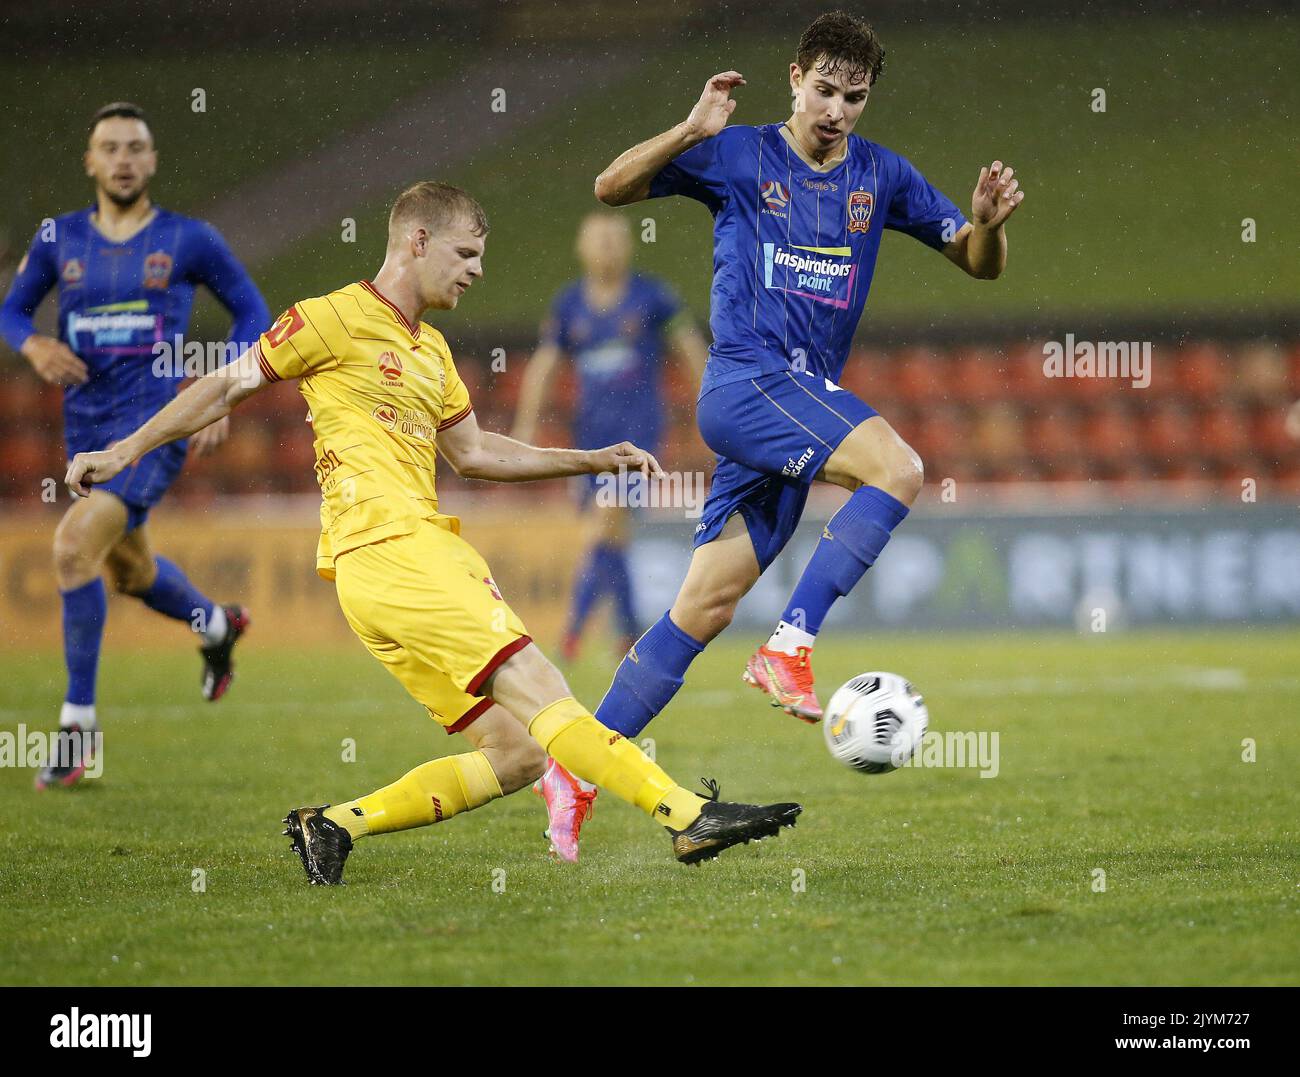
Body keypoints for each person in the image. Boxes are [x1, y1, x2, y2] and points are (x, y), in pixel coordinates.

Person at [65, 181, 801, 884]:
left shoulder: (435, 353)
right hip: (392, 549)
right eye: (467, 254)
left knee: (514, 752)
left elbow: (477, 454)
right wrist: (124, 449)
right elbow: (227, 383)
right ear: (417, 240)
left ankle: (336, 823)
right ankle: (688, 813)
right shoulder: (330, 317)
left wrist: (590, 457)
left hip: (388, 568)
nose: (479, 271)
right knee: (542, 687)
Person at [537, 11, 1026, 855]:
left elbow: (977, 264)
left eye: (856, 96)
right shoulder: (738, 154)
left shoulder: (884, 176)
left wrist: (986, 224)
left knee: (701, 606)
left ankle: (574, 769)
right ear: (795, 77)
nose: (837, 109)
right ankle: (791, 646)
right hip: (745, 384)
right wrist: (692, 128)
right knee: (899, 468)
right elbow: (610, 187)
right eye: (826, 90)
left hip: (793, 407)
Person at [0, 102, 270, 789]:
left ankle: (76, 731)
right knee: (128, 572)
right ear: (90, 161)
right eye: (110, 147)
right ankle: (214, 623)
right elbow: (10, 308)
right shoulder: (59, 237)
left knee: (69, 549)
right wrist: (32, 342)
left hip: (154, 428)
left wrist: (222, 388)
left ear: (152, 161)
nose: (123, 158)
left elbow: (253, 312)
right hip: (85, 429)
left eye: (135, 147)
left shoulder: (189, 239)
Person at [512, 210, 708, 664]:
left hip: (639, 440)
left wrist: (709, 410)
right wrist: (526, 425)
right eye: (598, 239)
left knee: (605, 522)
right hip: (587, 441)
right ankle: (630, 634)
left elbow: (691, 349)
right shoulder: (569, 305)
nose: (607, 247)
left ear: (629, 246)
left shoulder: (652, 296)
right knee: (612, 539)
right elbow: (544, 366)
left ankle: (573, 634)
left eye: (615, 239)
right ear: (582, 248)